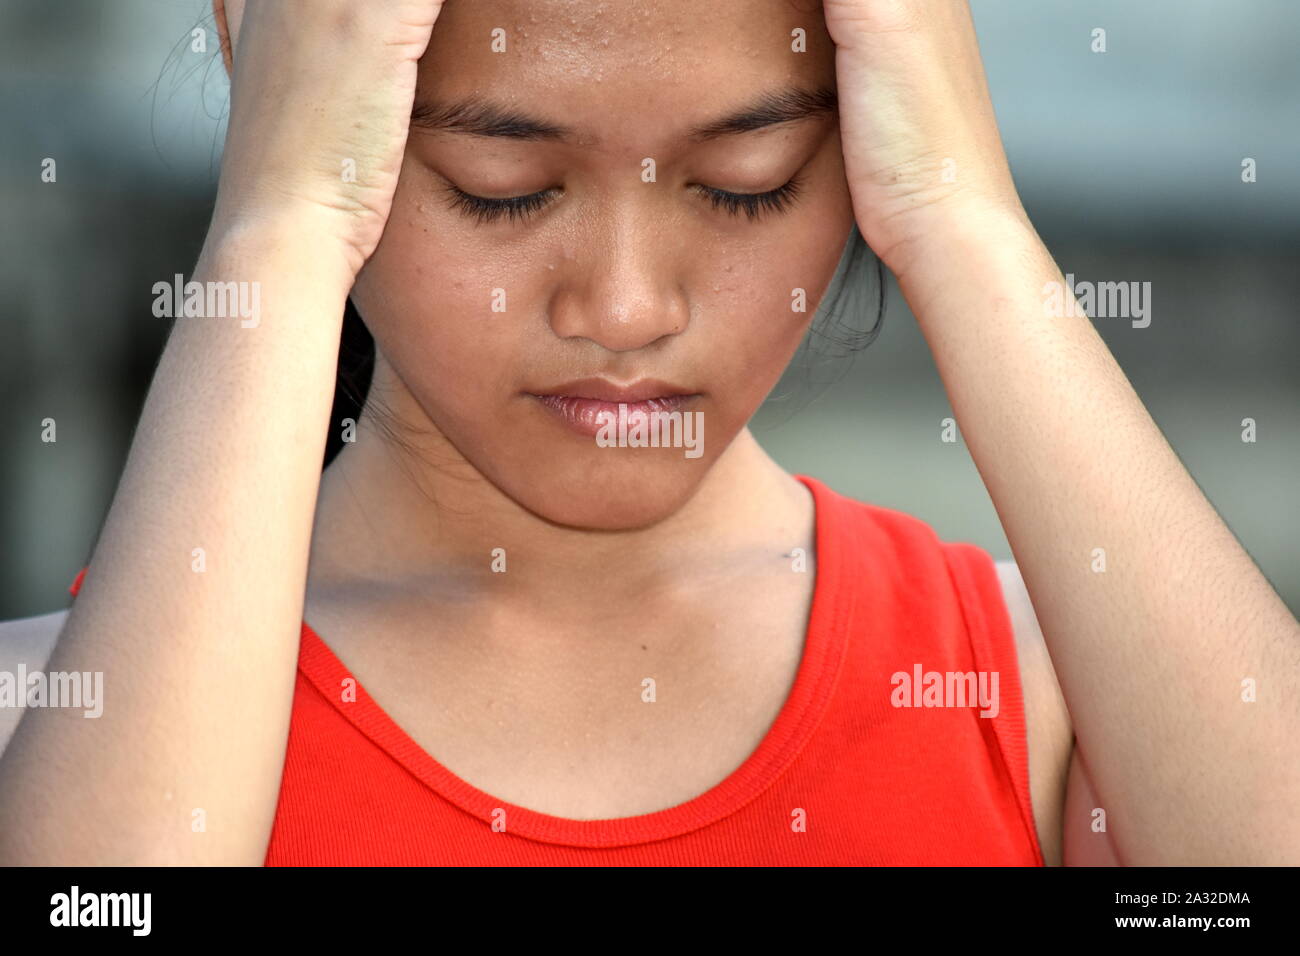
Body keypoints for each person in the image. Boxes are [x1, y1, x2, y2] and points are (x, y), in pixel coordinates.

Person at [0, 0, 1296, 866]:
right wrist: (277, 224)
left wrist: (967, 218)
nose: (624, 309)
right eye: (501, 189)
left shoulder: (1050, 696)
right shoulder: (57, 731)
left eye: (747, 186)